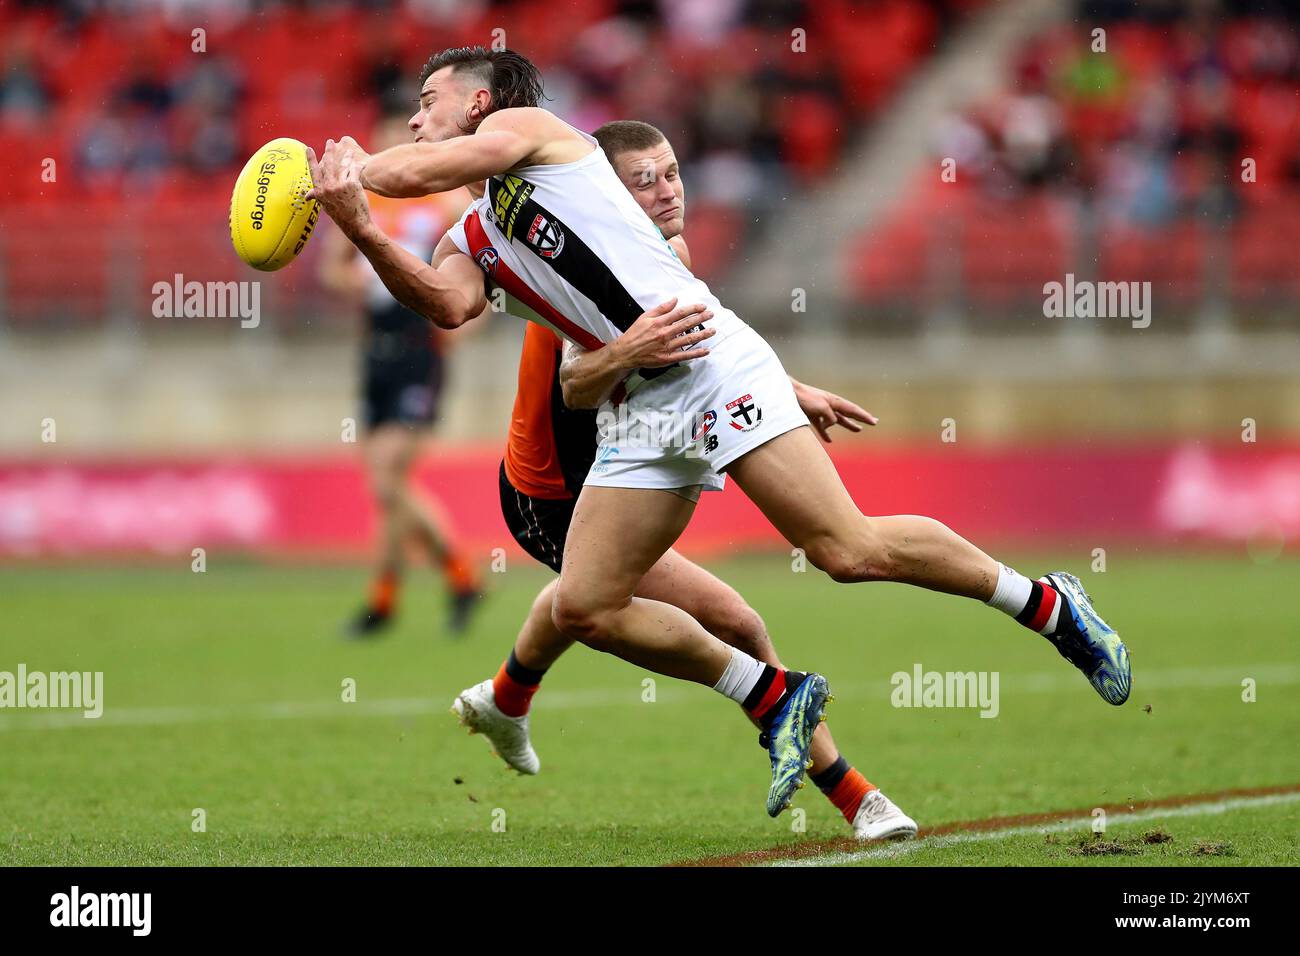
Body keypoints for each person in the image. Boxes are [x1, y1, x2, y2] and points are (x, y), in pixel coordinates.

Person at [306, 47, 1131, 818]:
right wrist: (365, 228)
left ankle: (1050, 604)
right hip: (639, 411)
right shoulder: (476, 232)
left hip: (710, 369)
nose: (415, 119)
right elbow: (447, 304)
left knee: (847, 551)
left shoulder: (528, 134)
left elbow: (428, 165)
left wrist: (352, 170)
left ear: (480, 102)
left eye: (427, 102)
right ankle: (771, 696)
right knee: (588, 605)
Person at [451, 119, 915, 841]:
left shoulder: (663, 256)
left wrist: (786, 388)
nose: (669, 192)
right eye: (645, 181)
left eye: (673, 174)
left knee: (604, 601)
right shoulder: (575, 271)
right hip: (554, 493)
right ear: (599, 194)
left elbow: (708, 348)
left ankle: (504, 699)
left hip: (615, 478)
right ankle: (858, 798)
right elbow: (577, 381)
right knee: (711, 619)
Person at [316, 114, 483, 638]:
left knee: (389, 480)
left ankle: (452, 576)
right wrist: (363, 278)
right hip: (376, 350)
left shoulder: (446, 202)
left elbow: (487, 266)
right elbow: (332, 267)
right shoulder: (365, 204)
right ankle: (397, 597)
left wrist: (464, 326)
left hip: (419, 348)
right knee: (387, 488)